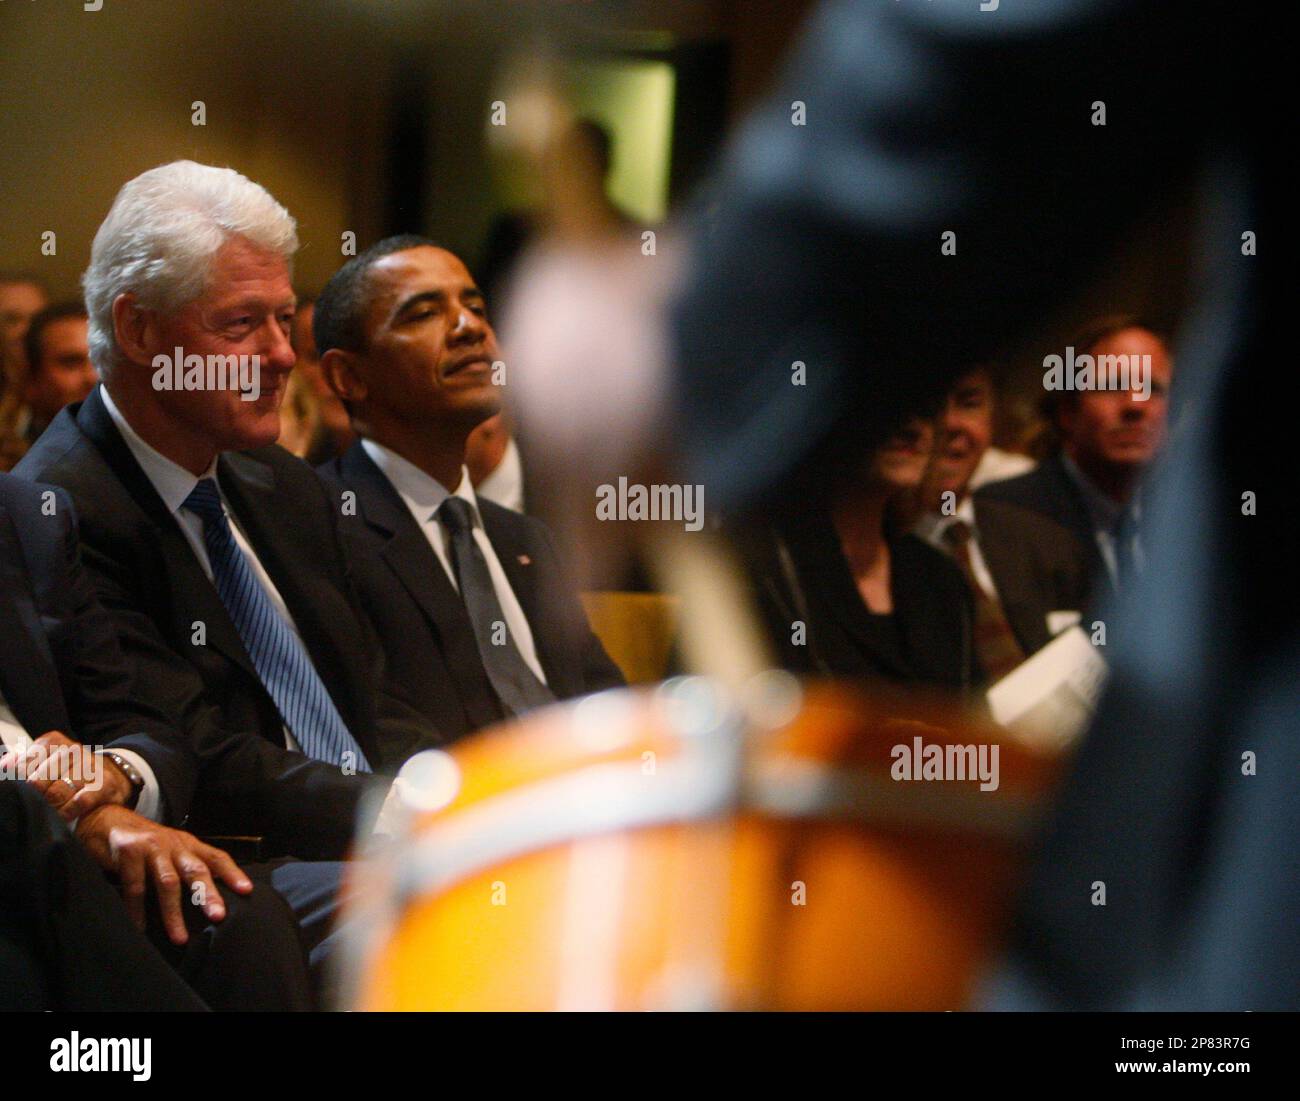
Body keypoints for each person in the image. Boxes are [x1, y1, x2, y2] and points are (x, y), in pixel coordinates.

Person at [16, 161, 438, 801]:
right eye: (241, 324)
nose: (283, 355)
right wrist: (401, 817)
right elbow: (199, 752)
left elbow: (375, 696)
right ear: (138, 330)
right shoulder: (56, 511)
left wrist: (443, 791)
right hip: (255, 870)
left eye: (284, 317)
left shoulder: (280, 482)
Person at [0, 472, 341, 1010]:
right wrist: (75, 816)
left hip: (98, 863)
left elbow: (139, 721)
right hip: (25, 875)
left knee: (241, 917)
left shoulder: (24, 513)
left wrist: (117, 775)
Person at [314, 236, 624, 743]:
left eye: (476, 307)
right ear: (347, 376)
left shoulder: (525, 539)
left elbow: (603, 705)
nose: (469, 327)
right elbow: (375, 729)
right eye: (423, 314)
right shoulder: (319, 522)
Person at [742, 414, 980, 693]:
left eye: (927, 403)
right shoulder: (757, 567)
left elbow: (970, 723)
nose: (913, 424)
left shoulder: (941, 577)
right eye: (887, 396)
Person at [976, 319, 1173, 605]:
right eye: (1112, 386)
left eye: (1153, 388)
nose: (1135, 405)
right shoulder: (1006, 514)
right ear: (1068, 411)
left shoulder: (1188, 518)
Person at [909, 367, 1090, 676]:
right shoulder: (872, 554)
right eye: (929, 404)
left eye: (969, 404)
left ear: (993, 418)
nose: (950, 423)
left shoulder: (1042, 534)